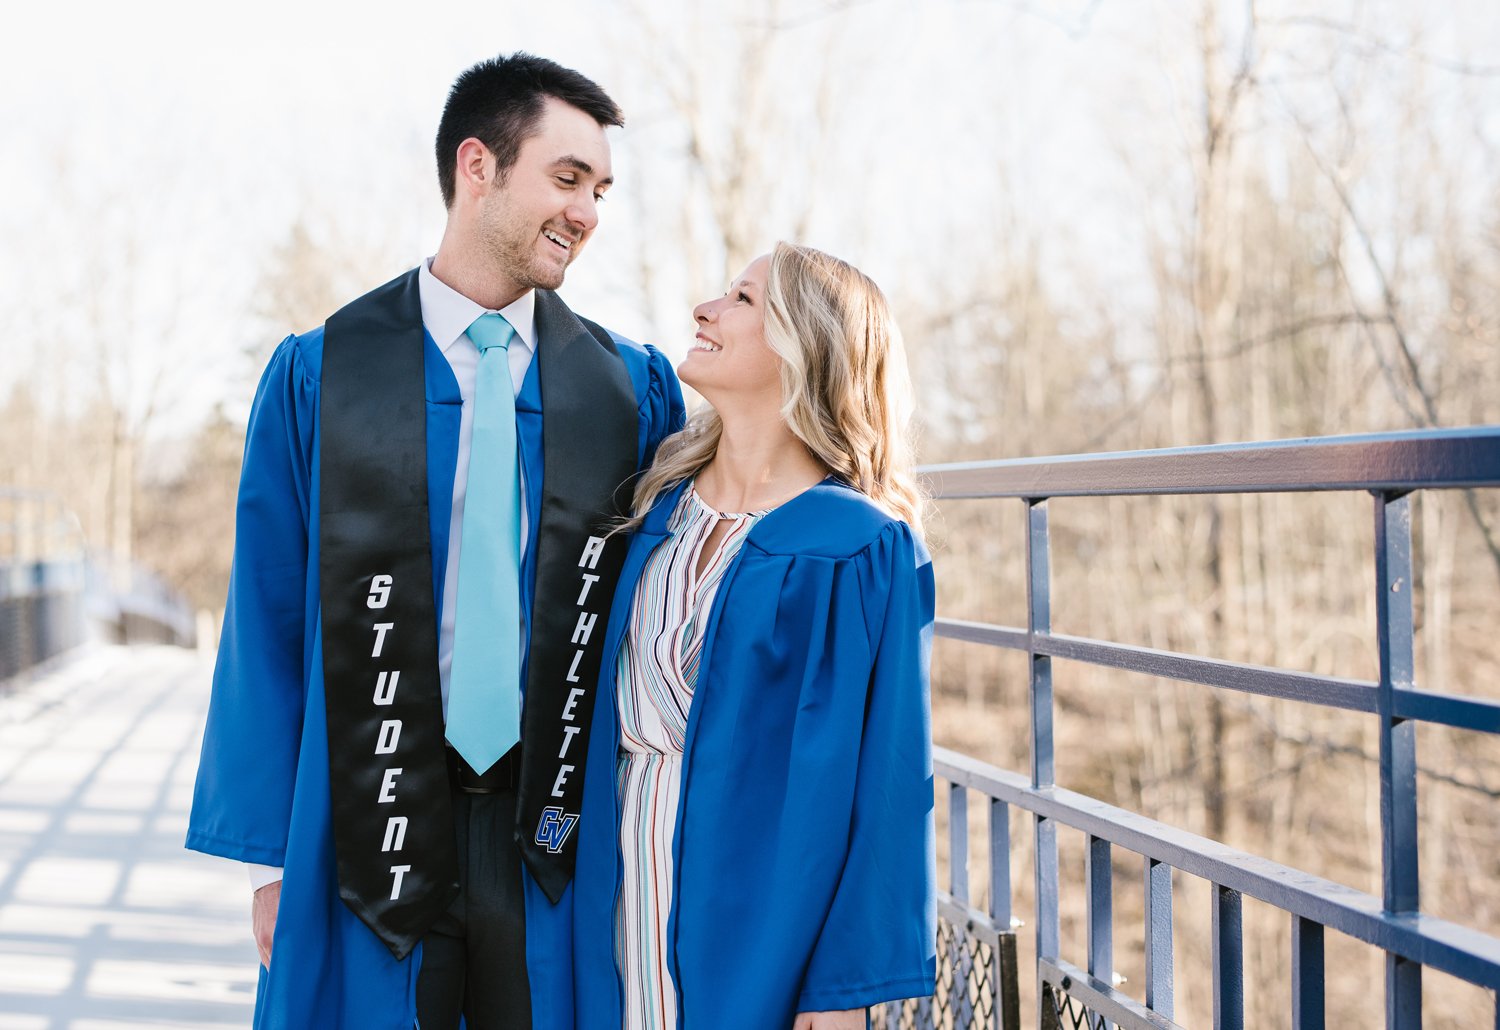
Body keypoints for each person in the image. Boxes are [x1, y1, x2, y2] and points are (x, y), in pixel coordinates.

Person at [186, 53, 684, 1030]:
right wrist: (270, 861)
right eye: (568, 177)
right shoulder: (324, 374)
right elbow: (268, 610)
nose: (588, 212)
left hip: (558, 823)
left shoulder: (628, 390)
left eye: (601, 189)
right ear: (477, 166)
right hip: (367, 803)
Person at [570, 243, 937, 1030]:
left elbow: (892, 781)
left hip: (762, 902)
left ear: (802, 346)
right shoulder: (652, 509)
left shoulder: (860, 546)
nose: (705, 308)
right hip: (611, 872)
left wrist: (842, 989)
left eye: (741, 299)